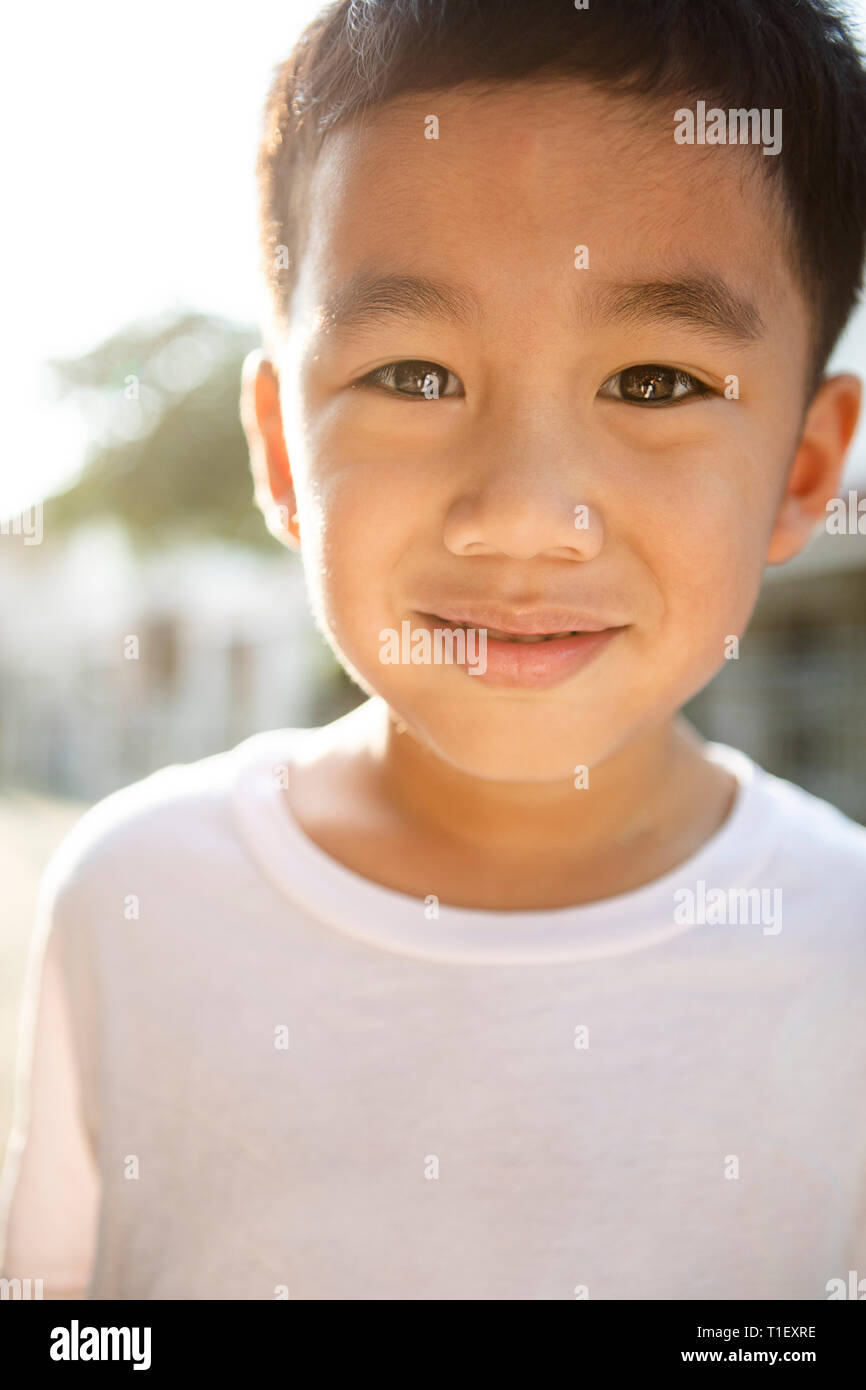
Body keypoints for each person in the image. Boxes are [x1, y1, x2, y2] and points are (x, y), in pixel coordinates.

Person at [2, 0, 866, 1300]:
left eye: (653, 383)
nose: (522, 513)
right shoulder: (134, 900)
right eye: (412, 376)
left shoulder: (843, 949)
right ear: (285, 455)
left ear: (802, 470)